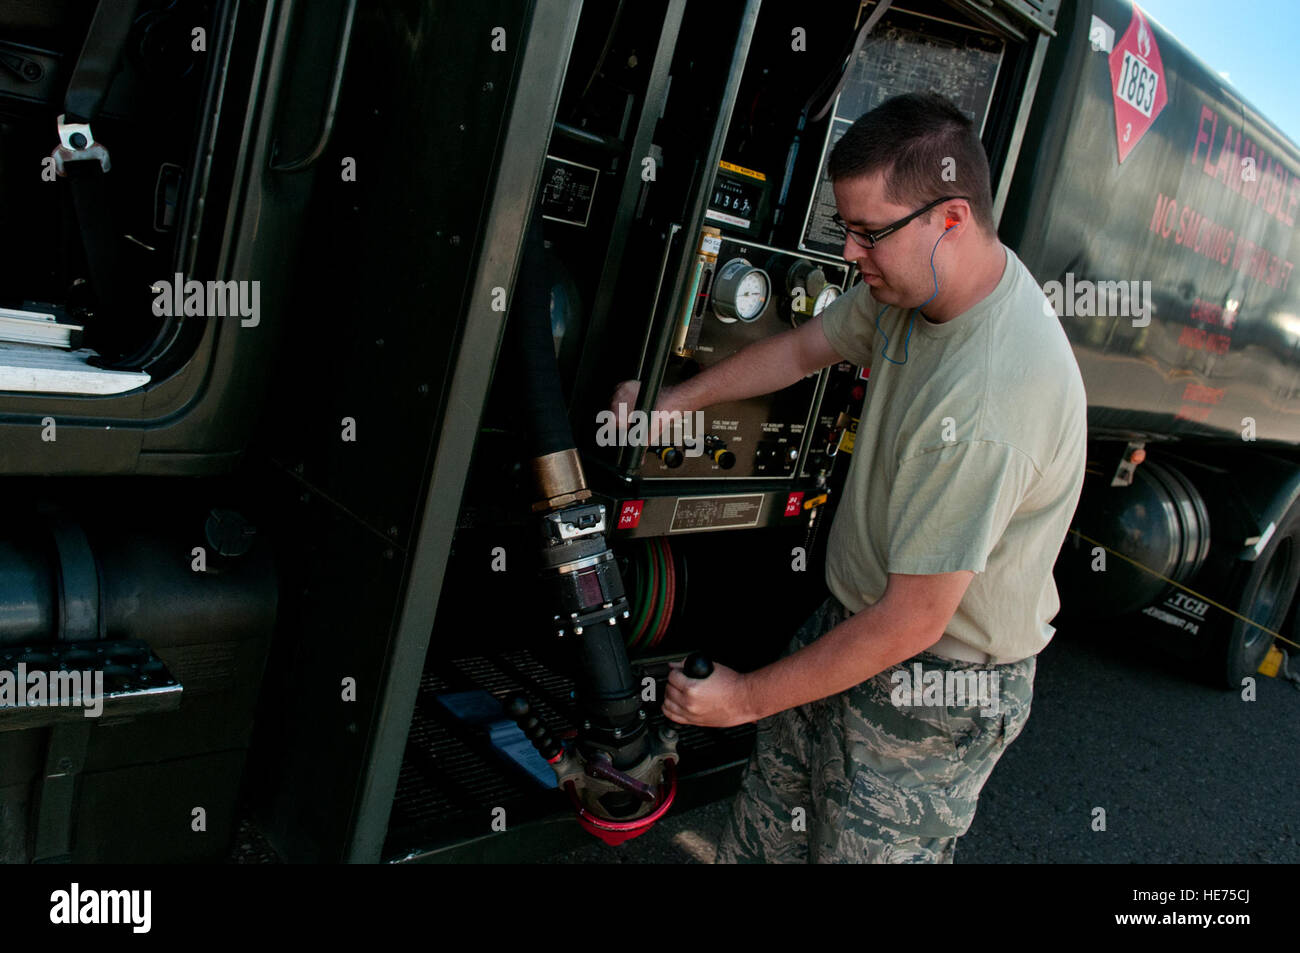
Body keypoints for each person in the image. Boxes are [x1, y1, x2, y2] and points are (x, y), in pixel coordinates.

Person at [609, 91, 1087, 863]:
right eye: (847, 230)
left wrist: (740, 699)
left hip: (934, 690)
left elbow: (914, 621)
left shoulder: (993, 399)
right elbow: (803, 350)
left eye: (869, 234)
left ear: (952, 220)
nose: (850, 255)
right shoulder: (919, 290)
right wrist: (676, 401)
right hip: (849, 628)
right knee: (762, 847)